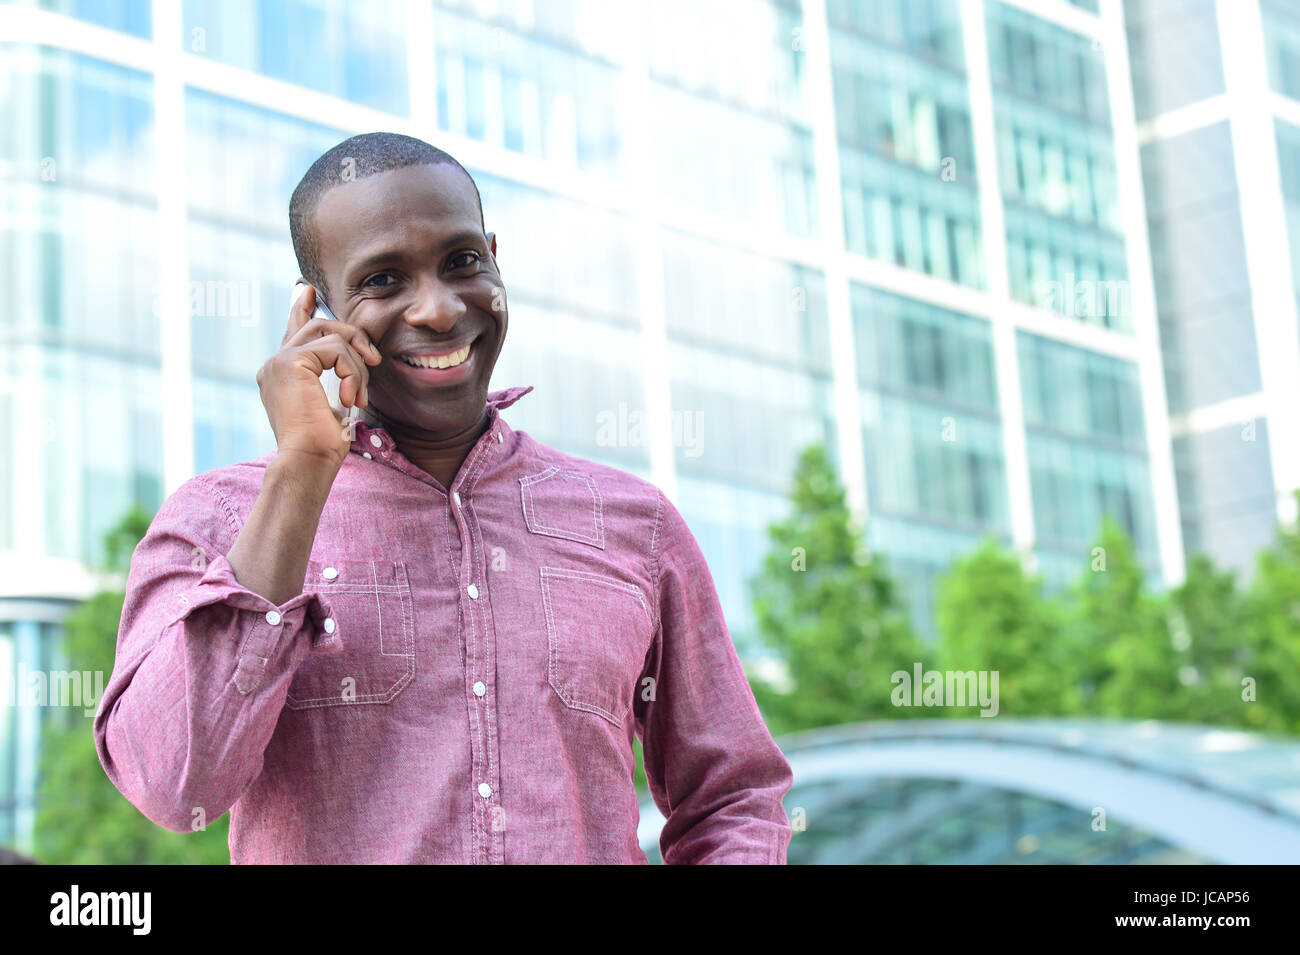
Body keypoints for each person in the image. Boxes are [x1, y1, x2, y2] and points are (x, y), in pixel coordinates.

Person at [94, 132, 793, 864]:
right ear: (316, 309)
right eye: (383, 280)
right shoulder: (220, 522)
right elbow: (173, 786)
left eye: (462, 262)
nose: (436, 308)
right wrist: (301, 472)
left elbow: (733, 794)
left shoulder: (636, 526)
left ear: (495, 259)